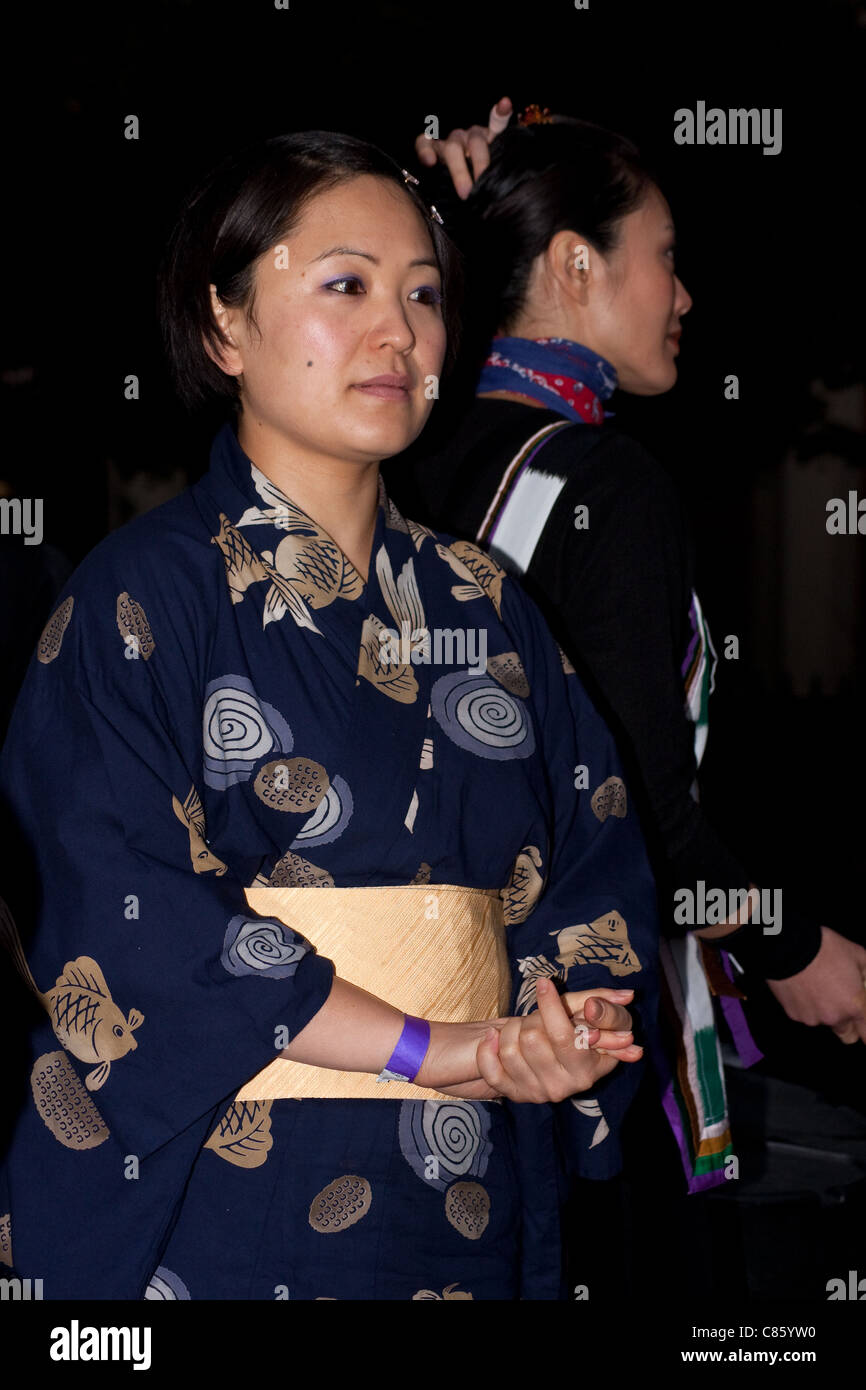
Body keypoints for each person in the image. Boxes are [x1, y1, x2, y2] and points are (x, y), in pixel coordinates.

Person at [0, 130, 660, 1301]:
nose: (398, 332)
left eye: (421, 294)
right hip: (223, 1198)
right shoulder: (139, 598)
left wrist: (565, 1024)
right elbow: (126, 915)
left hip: (465, 1191)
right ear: (224, 326)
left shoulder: (489, 605)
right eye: (344, 284)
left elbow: (590, 854)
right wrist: (436, 1047)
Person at [383, 99, 866, 1197]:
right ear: (572, 263)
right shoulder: (606, 484)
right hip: (569, 1026)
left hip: (416, 1017)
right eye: (664, 257)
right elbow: (638, 801)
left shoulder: (402, 456)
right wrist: (793, 946)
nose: (684, 294)